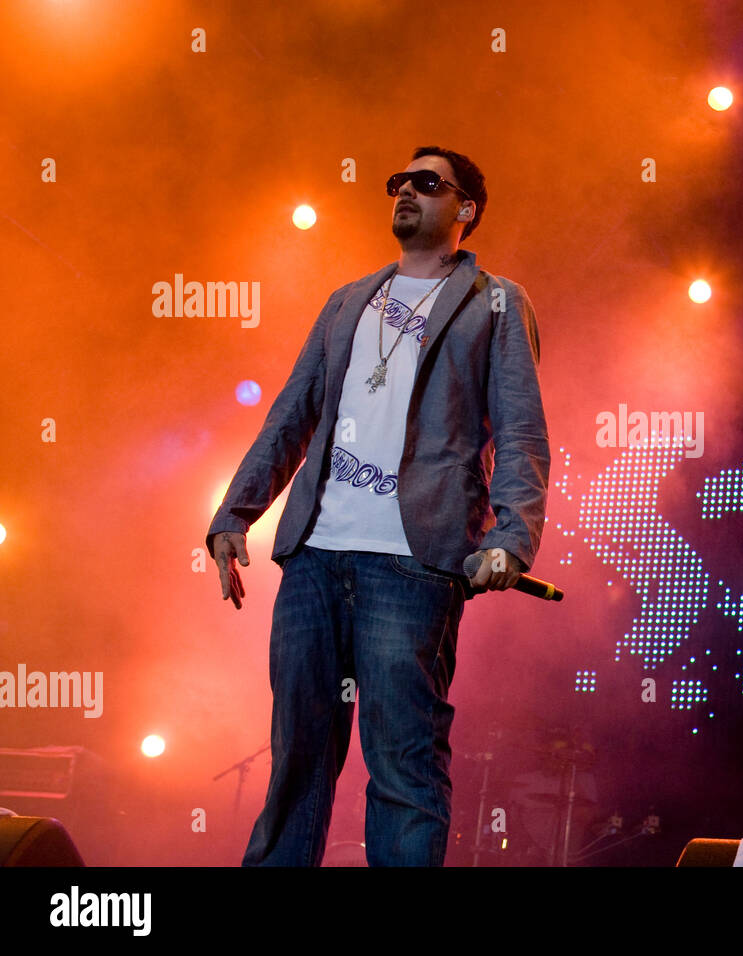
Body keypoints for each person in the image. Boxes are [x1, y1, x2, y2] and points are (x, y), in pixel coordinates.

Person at [204, 146, 550, 866]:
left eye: (428, 184)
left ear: (465, 209)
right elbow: (291, 415)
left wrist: (511, 538)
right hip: (315, 557)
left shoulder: (495, 300)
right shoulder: (348, 299)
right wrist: (236, 513)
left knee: (403, 769)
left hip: (412, 562)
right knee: (296, 760)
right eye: (400, 182)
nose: (406, 193)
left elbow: (521, 429)